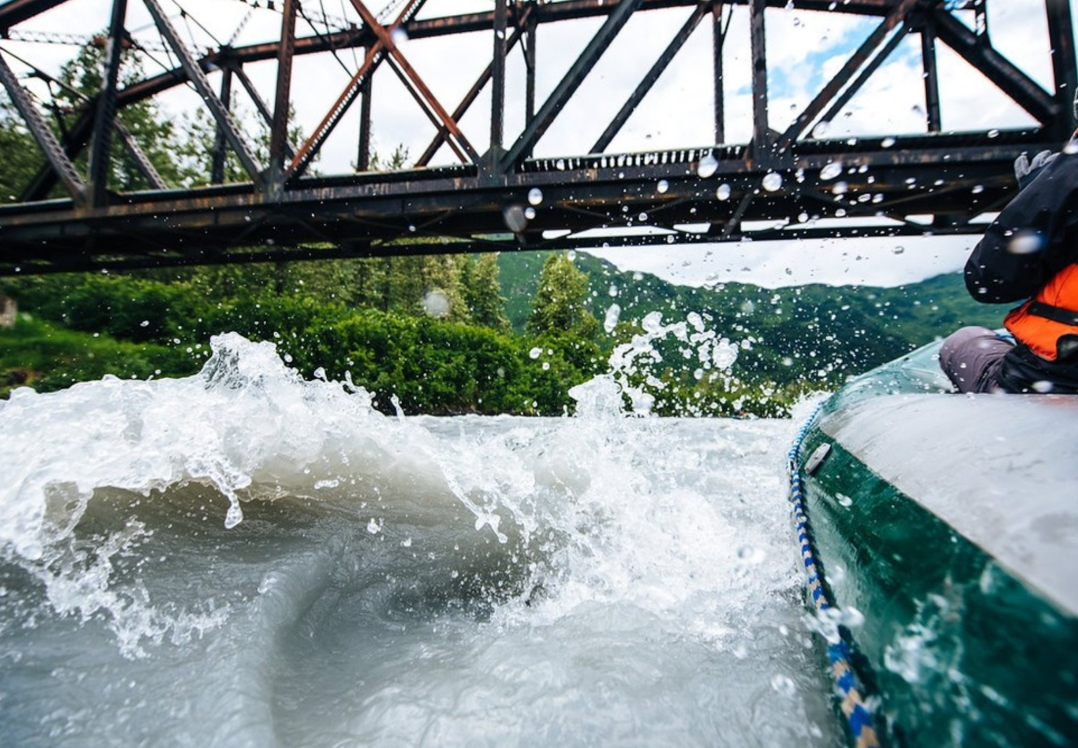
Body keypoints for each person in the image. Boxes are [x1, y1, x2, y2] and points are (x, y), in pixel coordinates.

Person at [939, 137, 1078, 394]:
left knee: (961, 342)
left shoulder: (1070, 172)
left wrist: (1036, 193)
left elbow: (990, 281)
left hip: (1056, 377)